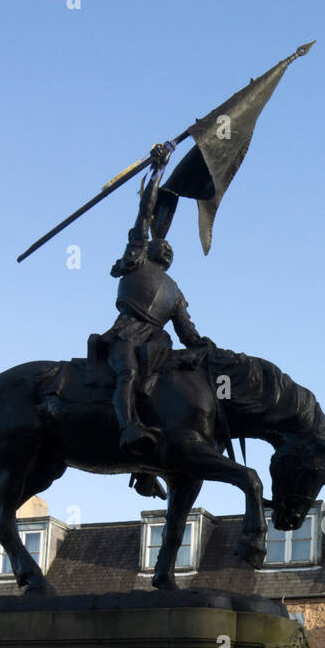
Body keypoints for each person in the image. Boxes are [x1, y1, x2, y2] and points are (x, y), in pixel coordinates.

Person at [96, 141, 211, 498]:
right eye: (163, 243)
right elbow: (144, 216)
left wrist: (213, 351)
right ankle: (129, 429)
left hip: (157, 346)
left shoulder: (175, 292)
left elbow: (189, 333)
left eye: (171, 248)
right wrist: (158, 171)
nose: (168, 247)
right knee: (128, 373)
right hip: (126, 335)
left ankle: (147, 465)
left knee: (169, 394)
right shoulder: (137, 259)